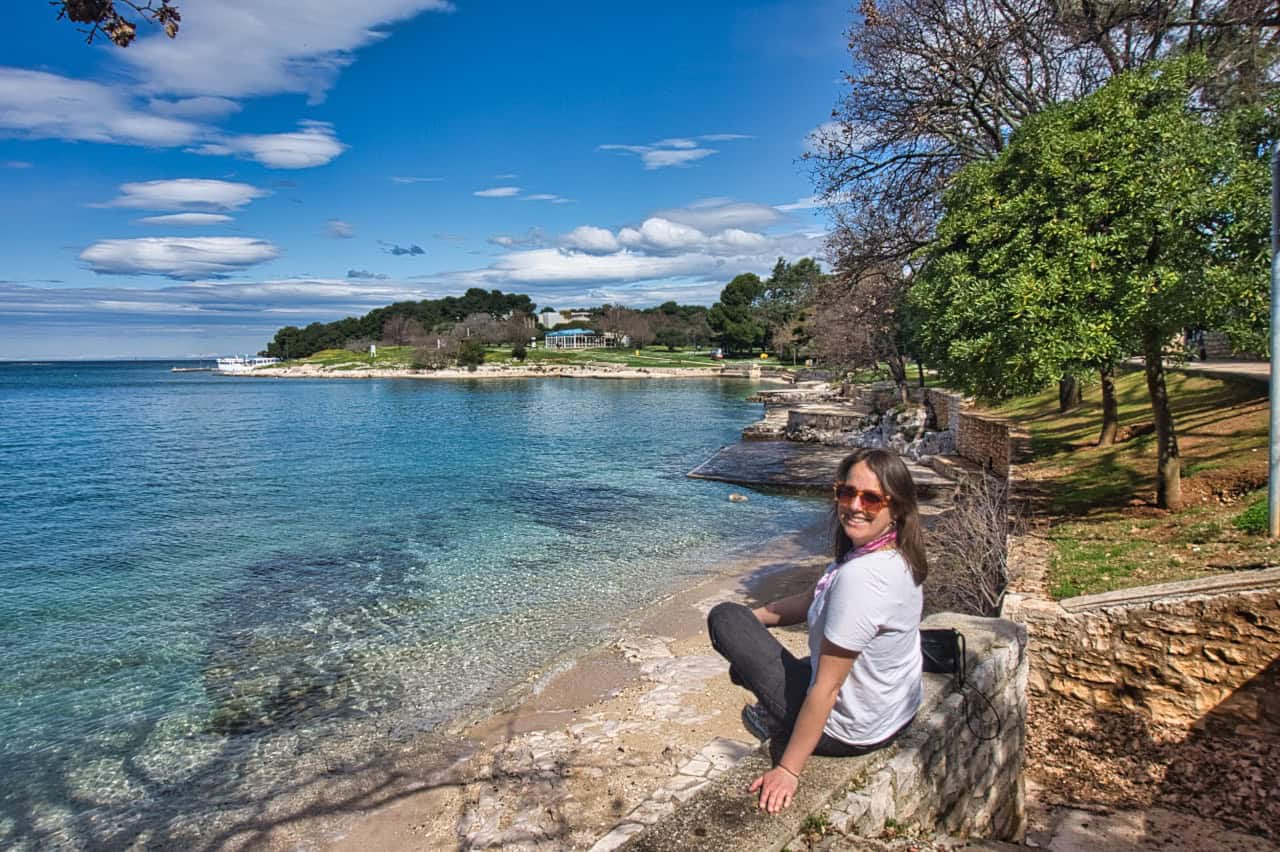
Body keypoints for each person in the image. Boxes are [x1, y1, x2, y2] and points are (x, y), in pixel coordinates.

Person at [707, 447, 928, 814]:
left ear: (897, 507)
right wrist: (751, 625)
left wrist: (789, 770)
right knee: (740, 624)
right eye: (846, 492)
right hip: (891, 712)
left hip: (846, 732)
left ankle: (774, 716)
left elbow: (827, 688)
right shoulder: (893, 554)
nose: (855, 506)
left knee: (723, 617)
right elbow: (811, 598)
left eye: (871, 498)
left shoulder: (861, 579)